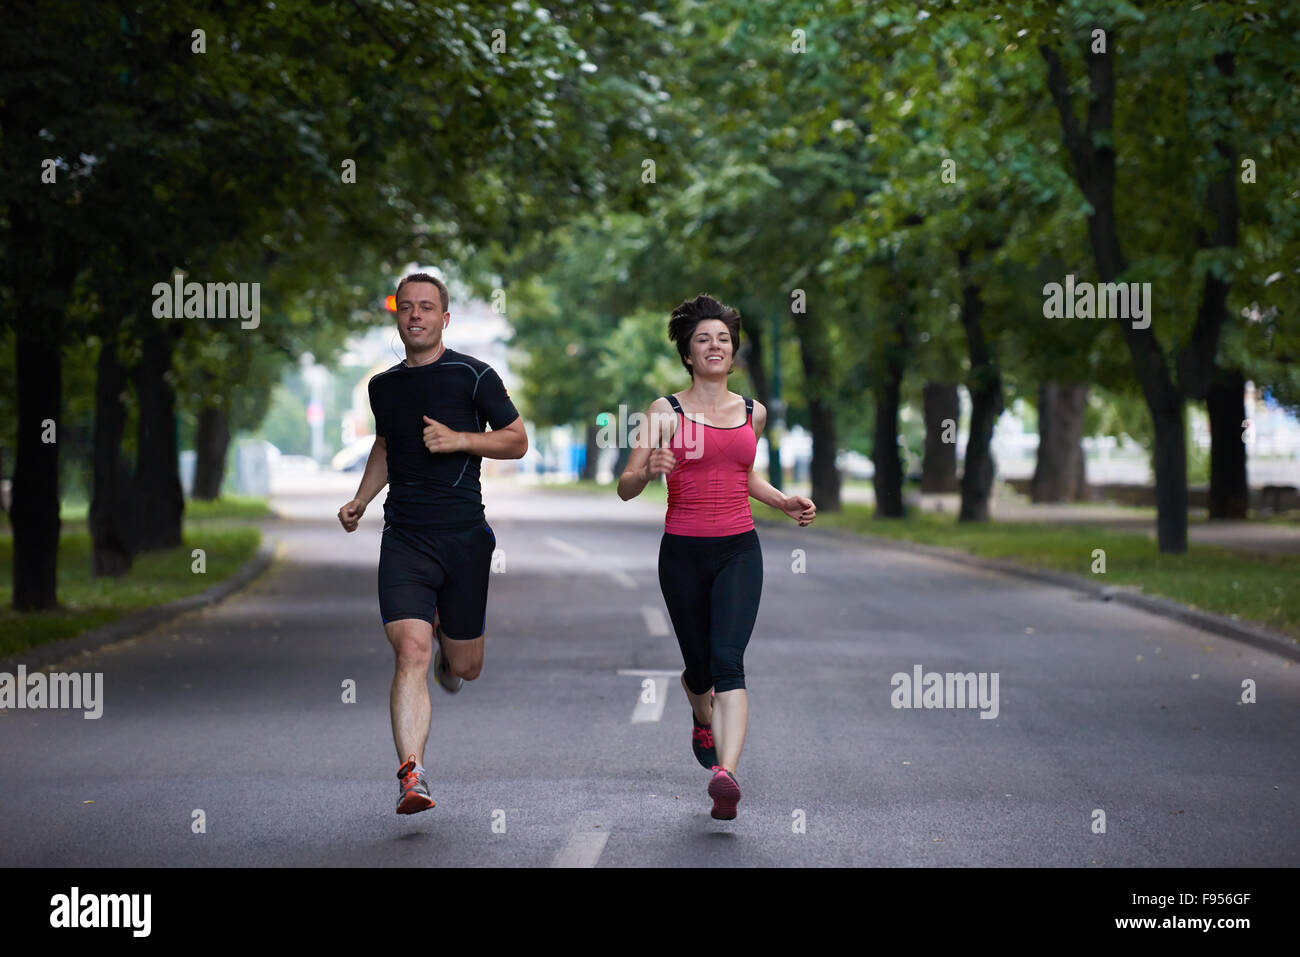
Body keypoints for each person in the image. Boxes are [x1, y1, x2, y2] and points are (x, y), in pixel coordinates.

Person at [617, 294, 815, 820]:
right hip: (682, 552)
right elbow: (624, 486)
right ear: (687, 353)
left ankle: (725, 774)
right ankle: (698, 706)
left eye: (723, 339)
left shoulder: (754, 411)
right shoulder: (665, 412)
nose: (714, 346)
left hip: (739, 550)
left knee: (729, 661)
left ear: (733, 352)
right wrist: (648, 468)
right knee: (700, 667)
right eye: (703, 339)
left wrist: (783, 500)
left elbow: (741, 474)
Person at [338, 272, 528, 814]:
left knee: (466, 667)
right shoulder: (384, 387)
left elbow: (517, 440)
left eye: (427, 308)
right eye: (407, 307)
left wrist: (461, 440)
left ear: (445, 318)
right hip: (405, 539)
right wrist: (361, 499)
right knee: (409, 652)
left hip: (465, 539)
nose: (415, 315)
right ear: (397, 317)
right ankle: (412, 773)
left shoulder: (475, 375)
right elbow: (386, 445)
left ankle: (453, 655)